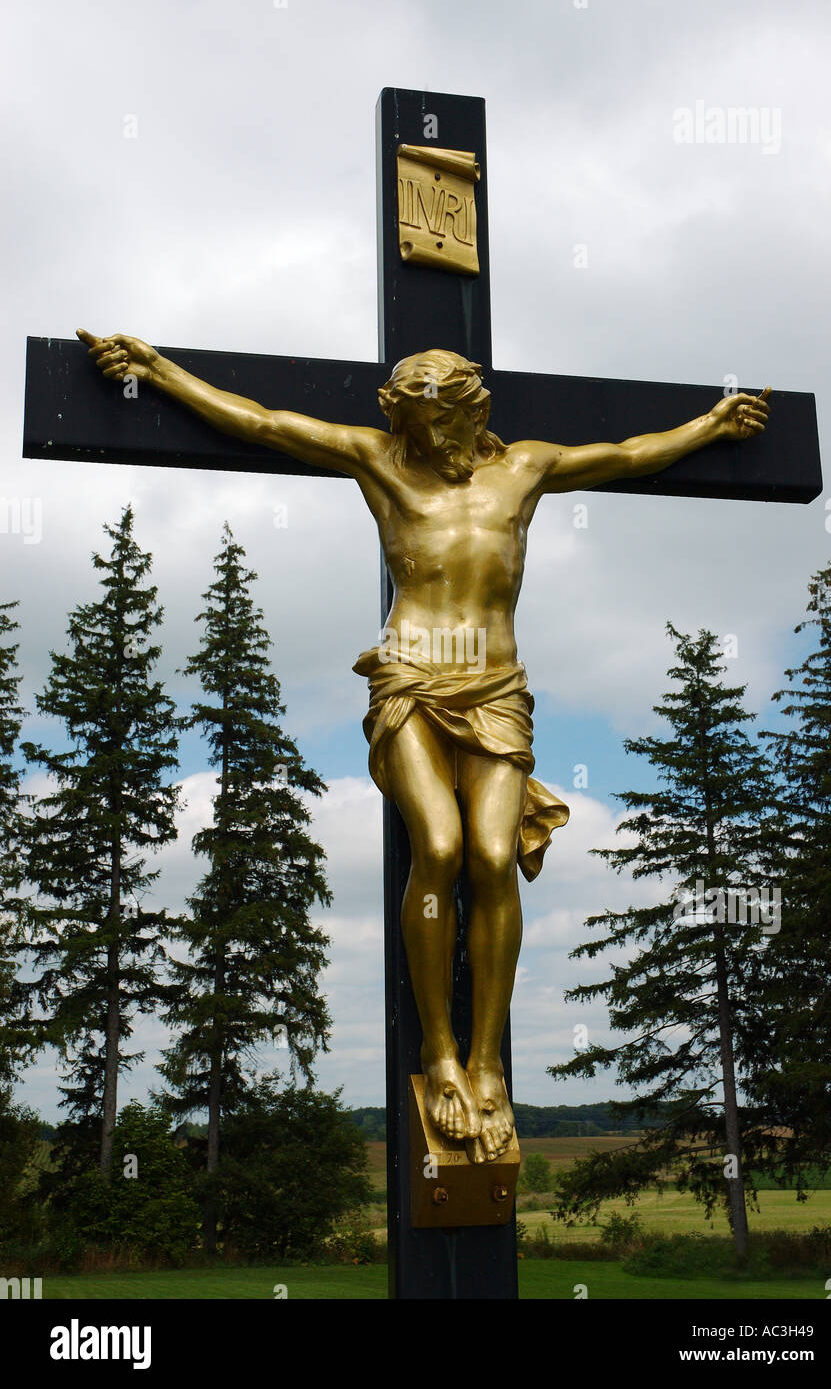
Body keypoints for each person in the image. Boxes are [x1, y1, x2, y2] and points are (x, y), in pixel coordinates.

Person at [77, 328, 770, 1162]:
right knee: (437, 845)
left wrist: (713, 425)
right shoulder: (380, 461)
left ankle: (487, 1063)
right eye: (413, 420)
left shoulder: (528, 467)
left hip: (496, 688)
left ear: (468, 410)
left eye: (439, 417)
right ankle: (439, 1053)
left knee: (490, 854)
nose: (425, 435)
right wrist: (155, 371)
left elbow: (627, 454)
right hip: (410, 676)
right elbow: (261, 422)